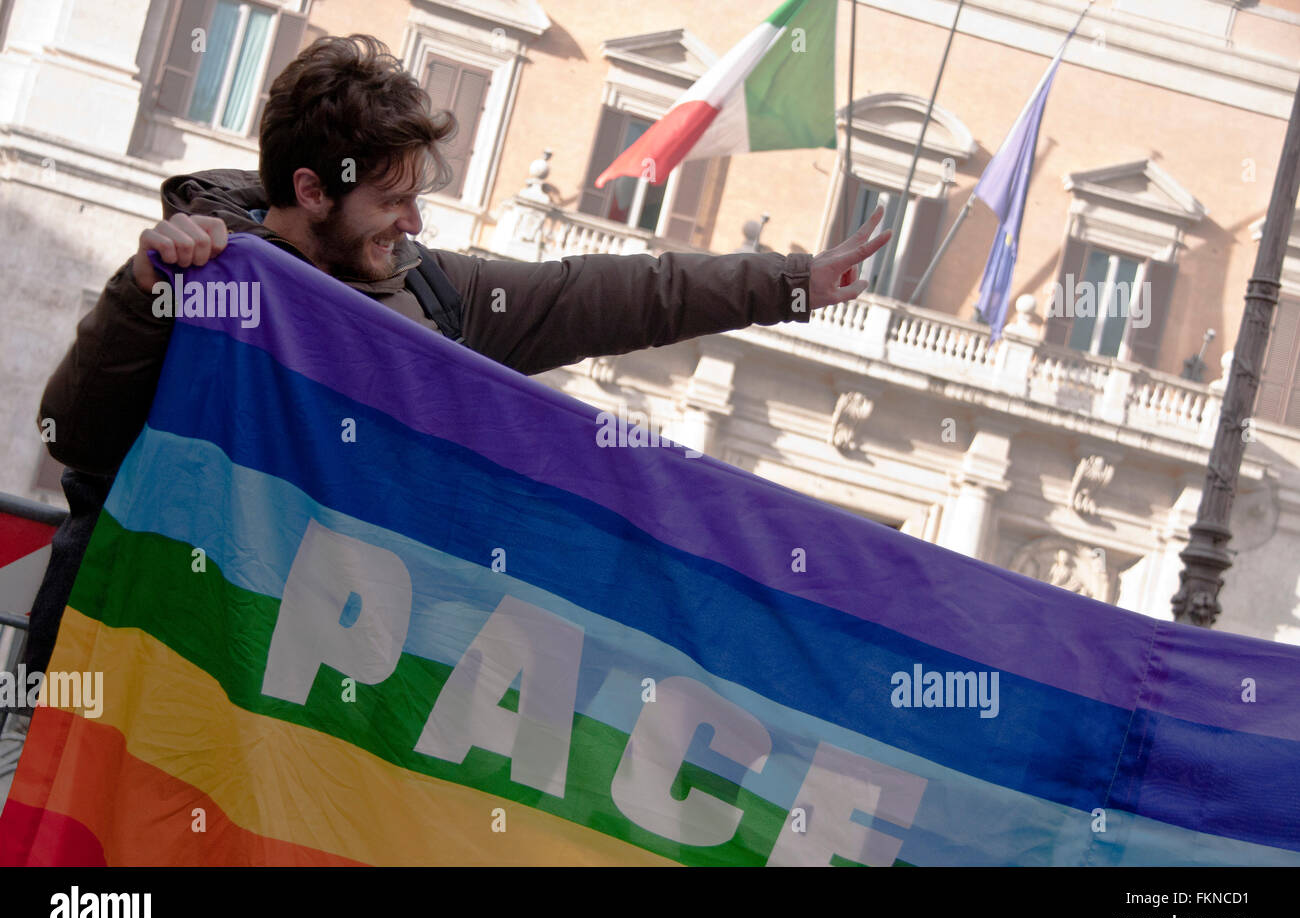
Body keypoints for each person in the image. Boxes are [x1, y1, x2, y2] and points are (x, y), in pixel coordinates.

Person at [6, 35, 889, 735]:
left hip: (283, 720)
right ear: (311, 189)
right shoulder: (193, 275)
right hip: (108, 687)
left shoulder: (434, 292)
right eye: (392, 201)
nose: (414, 222)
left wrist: (793, 283)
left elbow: (614, 293)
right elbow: (73, 438)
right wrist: (141, 296)